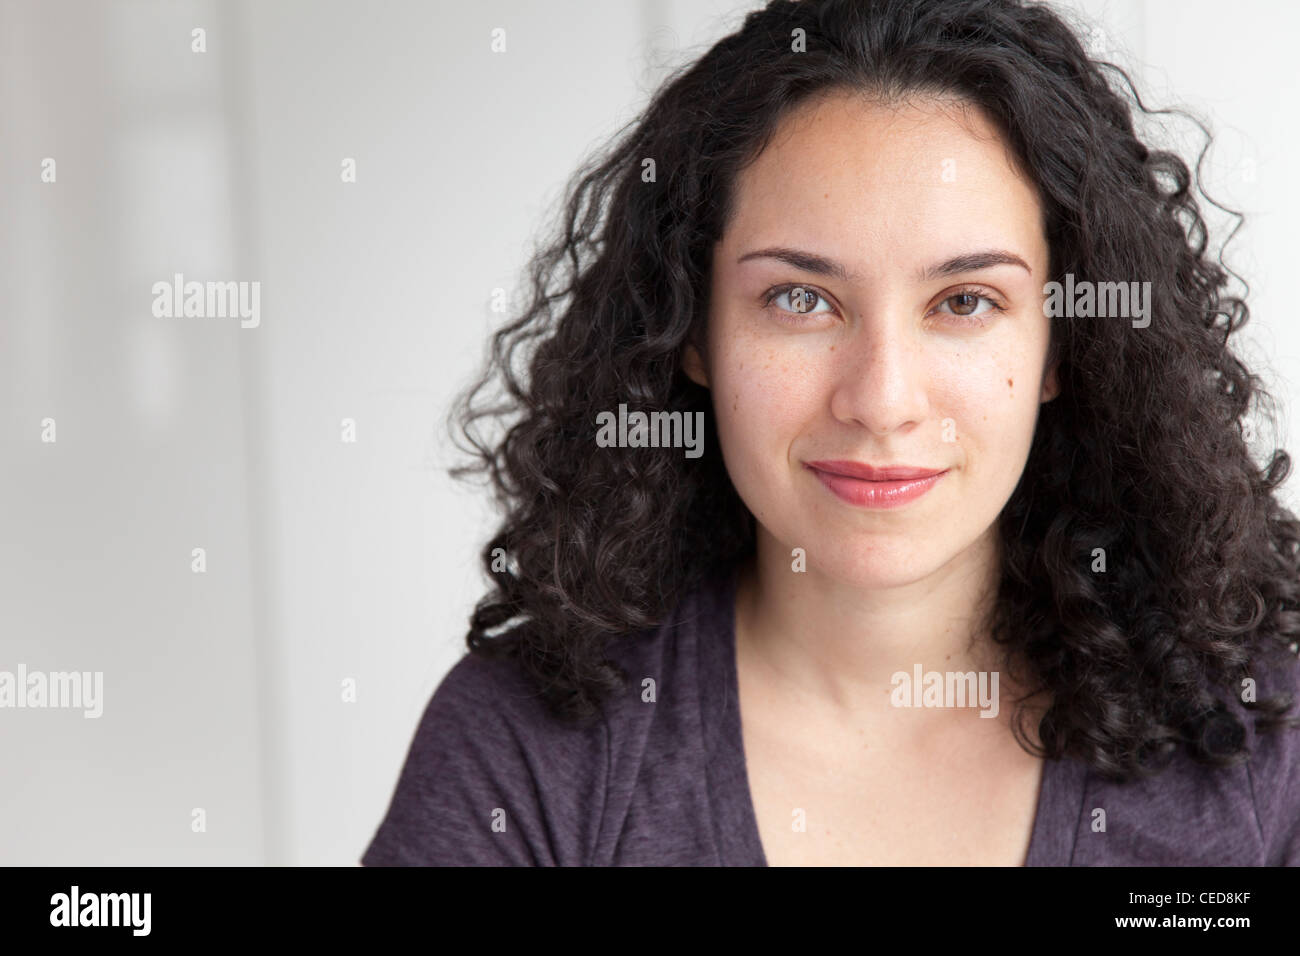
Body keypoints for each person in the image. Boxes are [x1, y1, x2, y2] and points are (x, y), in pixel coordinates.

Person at [362, 0, 1300, 865]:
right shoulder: (527, 751)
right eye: (800, 299)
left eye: (965, 300)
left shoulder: (1261, 741)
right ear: (692, 329)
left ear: (1063, 343)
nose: (881, 399)